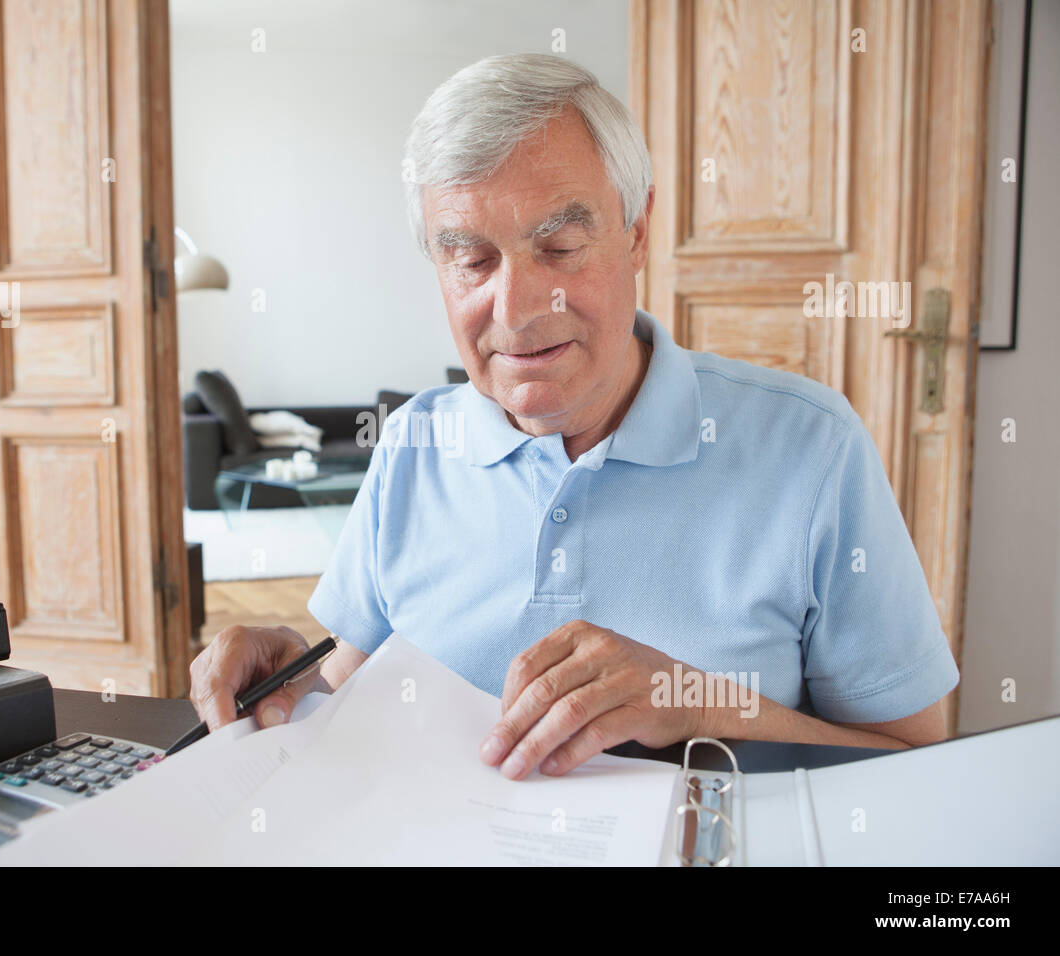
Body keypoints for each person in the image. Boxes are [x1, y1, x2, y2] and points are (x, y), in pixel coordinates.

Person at [188, 54, 958, 780]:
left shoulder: (812, 448)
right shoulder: (416, 441)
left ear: (637, 233)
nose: (518, 310)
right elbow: (345, 686)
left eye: (558, 246)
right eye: (473, 260)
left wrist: (696, 703)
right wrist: (286, 677)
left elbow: (913, 761)